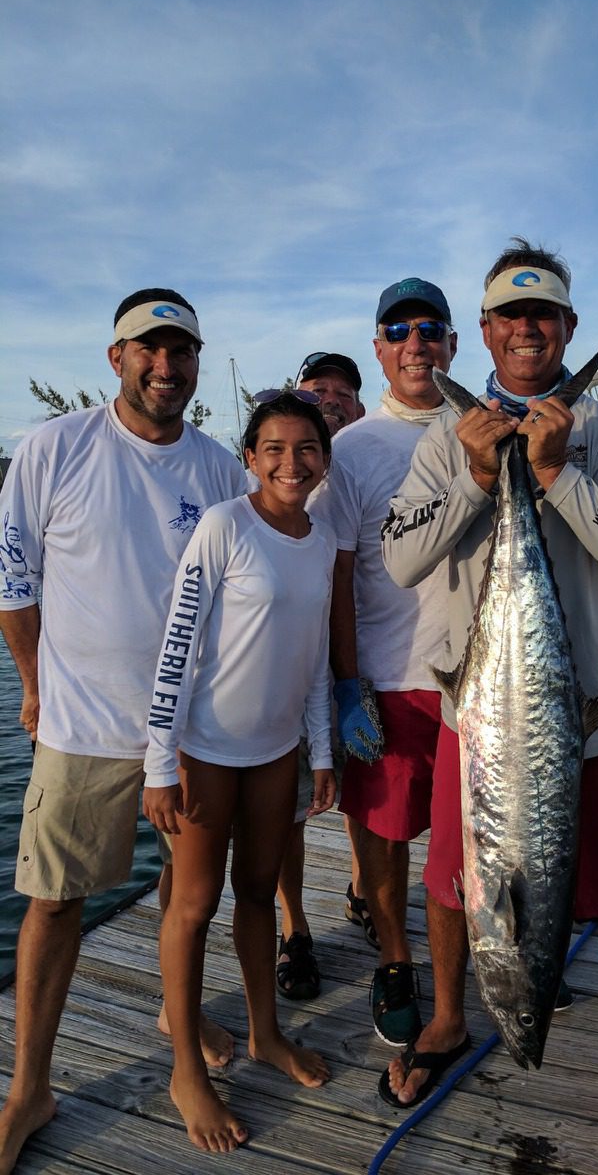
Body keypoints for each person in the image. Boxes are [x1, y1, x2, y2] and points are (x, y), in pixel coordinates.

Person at [381, 239, 598, 1173]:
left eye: (545, 315)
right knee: (455, 877)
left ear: (569, 329)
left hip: (592, 721)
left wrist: (558, 474)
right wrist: (483, 479)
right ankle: (447, 1019)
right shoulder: (449, 435)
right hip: (479, 722)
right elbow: (403, 560)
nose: (527, 328)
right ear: (484, 330)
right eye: (510, 316)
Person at [0, 289, 247, 1174]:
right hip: (82, 728)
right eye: (149, 349)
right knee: (56, 901)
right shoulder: (54, 448)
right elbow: (15, 577)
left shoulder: (222, 468)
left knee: (191, 899)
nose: (166, 366)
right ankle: (30, 1084)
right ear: (116, 358)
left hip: (190, 732)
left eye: (181, 351)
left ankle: (182, 1028)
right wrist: (32, 686)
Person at [143, 389, 335, 1152]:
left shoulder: (320, 538)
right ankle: (186, 1065)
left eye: (307, 449)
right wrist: (161, 763)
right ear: (249, 457)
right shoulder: (226, 527)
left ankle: (264, 1034)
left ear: (323, 457)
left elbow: (315, 658)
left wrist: (321, 752)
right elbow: (177, 645)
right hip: (207, 751)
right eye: (275, 450)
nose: (292, 463)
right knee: (192, 904)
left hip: (276, 752)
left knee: (259, 894)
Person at [309, 278, 457, 1047]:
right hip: (390, 681)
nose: (415, 343)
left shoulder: (482, 426)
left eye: (430, 328)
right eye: (398, 331)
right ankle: (396, 959)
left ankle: (488, 955)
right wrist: (344, 683)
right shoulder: (353, 447)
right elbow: (337, 574)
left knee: (482, 840)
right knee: (385, 840)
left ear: (453, 345)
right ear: (379, 348)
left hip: (482, 683)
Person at [274, 351, 372, 1002]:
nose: (330, 397)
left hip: (365, 666)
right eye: (317, 388)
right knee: (289, 811)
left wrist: (351, 683)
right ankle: (294, 928)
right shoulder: (277, 480)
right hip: (291, 677)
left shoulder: (365, 463)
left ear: (358, 407)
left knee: (364, 791)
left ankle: (363, 889)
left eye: (342, 390)